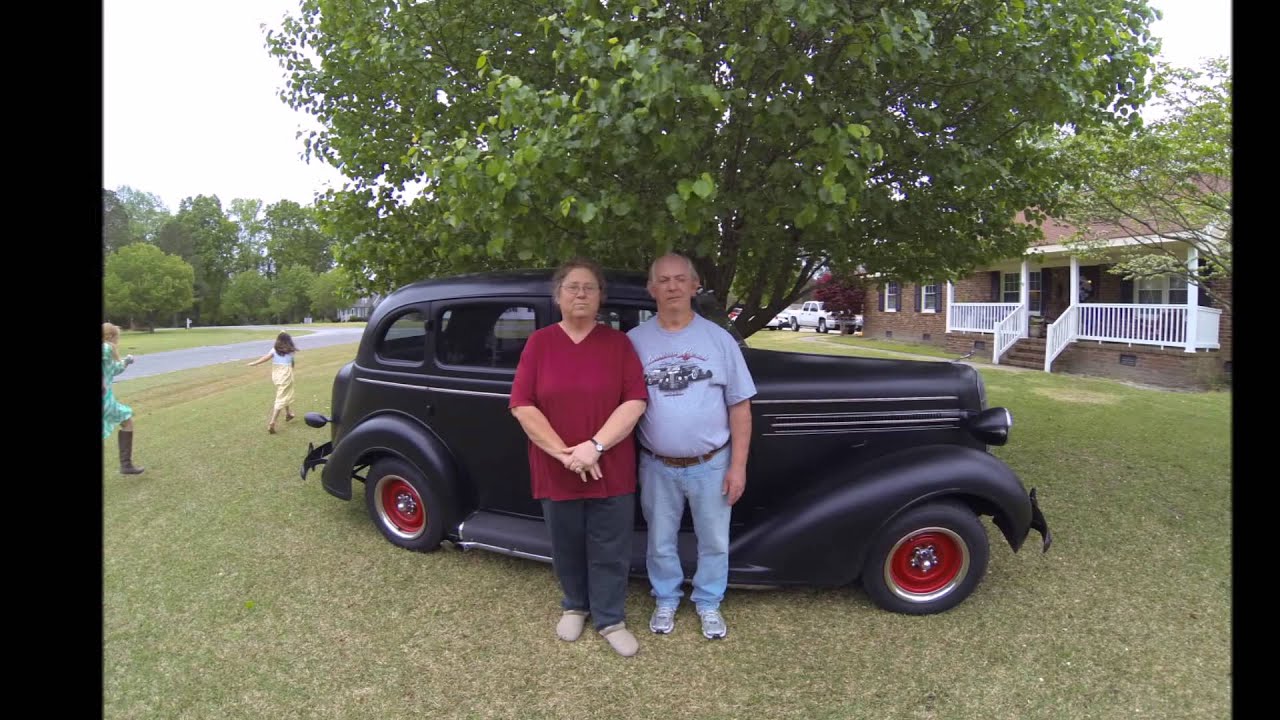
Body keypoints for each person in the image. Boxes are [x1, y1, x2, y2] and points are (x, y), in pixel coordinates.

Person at [509, 258, 649, 657]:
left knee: (611, 545)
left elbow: (635, 401)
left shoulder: (619, 344)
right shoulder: (539, 344)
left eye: (589, 287)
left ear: (601, 296)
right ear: (558, 296)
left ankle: (610, 618)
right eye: (573, 287)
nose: (581, 294)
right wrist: (564, 454)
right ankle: (574, 605)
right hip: (557, 467)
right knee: (566, 541)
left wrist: (594, 447)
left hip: (611, 466)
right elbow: (522, 405)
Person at [627, 253, 757, 640]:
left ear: (694, 285)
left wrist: (739, 466)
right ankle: (665, 597)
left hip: (712, 462)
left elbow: (740, 406)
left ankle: (708, 602)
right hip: (655, 464)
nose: (672, 287)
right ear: (651, 289)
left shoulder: (719, 340)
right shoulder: (633, 342)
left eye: (680, 279)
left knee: (714, 540)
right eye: (663, 280)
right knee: (659, 539)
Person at [103, 323, 145, 475]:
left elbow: (115, 369)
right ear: (111, 337)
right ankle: (126, 465)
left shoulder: (107, 356)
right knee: (127, 420)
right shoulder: (106, 349)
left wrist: (127, 360)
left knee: (126, 419)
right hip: (105, 401)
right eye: (116, 338)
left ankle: (126, 465)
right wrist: (109, 344)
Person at [247, 332, 299, 434]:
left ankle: (288, 413)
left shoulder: (274, 350)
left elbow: (265, 358)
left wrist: (254, 363)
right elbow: (292, 363)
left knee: (284, 394)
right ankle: (272, 422)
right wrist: (292, 370)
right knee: (281, 398)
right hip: (286, 376)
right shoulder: (291, 351)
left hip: (277, 376)